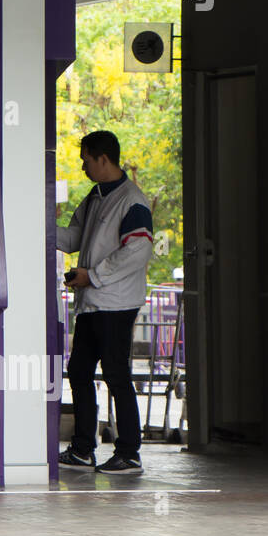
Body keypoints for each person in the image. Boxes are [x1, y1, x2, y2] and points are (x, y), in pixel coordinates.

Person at [56, 131, 154, 475]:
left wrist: (93, 275)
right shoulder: (95, 197)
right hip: (92, 302)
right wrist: (40, 227)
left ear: (103, 159)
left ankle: (129, 452)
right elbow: (72, 238)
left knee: (116, 375)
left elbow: (137, 251)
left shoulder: (132, 201)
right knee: (79, 372)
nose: (82, 167)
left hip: (116, 303)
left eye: (85, 160)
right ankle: (83, 449)